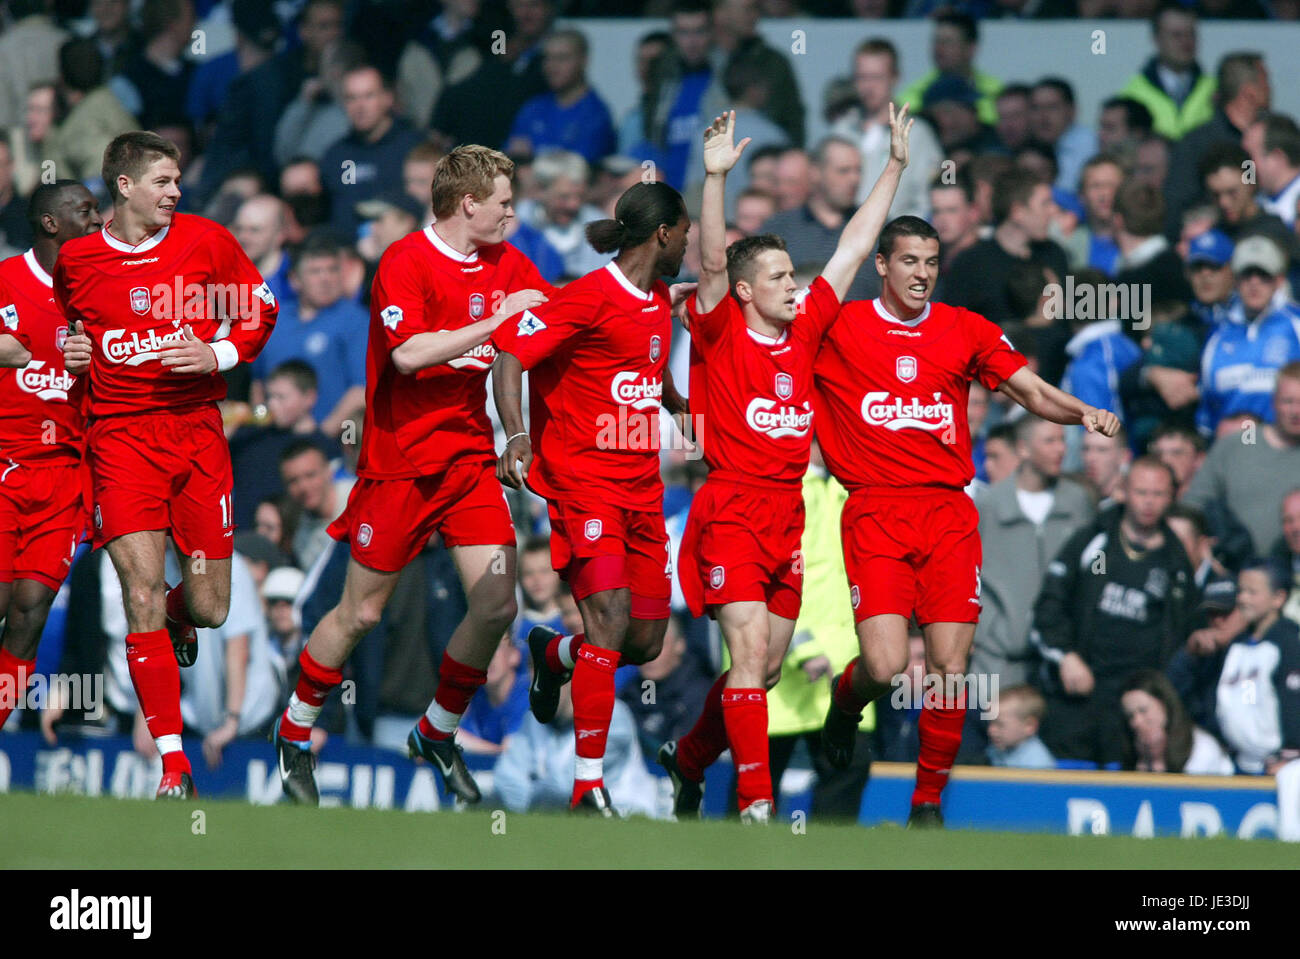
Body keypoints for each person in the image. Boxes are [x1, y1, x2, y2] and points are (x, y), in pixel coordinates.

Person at [812, 200, 1120, 826]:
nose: (922, 273)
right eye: (908, 262)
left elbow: (1027, 389)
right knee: (885, 664)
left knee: (952, 667)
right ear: (881, 265)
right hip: (875, 510)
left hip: (949, 514)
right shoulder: (839, 327)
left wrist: (1081, 411)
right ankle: (845, 707)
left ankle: (928, 803)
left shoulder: (964, 328)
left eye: (930, 262)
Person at [270, 145, 551, 806]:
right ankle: (294, 729)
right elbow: (407, 355)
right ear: (469, 203)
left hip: (469, 461)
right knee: (361, 611)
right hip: (399, 465)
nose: (514, 211)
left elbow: (547, 316)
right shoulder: (405, 262)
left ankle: (438, 727)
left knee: (497, 604)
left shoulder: (507, 260)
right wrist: (495, 318)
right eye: (505, 202)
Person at [660, 107, 909, 823]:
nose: (792, 282)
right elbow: (711, 260)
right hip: (732, 507)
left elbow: (854, 250)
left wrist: (893, 166)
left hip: (786, 512)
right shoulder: (719, 332)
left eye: (790, 272)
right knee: (745, 657)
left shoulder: (805, 331)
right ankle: (757, 806)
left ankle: (687, 758)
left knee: (764, 669)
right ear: (744, 290)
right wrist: (715, 178)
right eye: (775, 274)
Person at [54, 131, 279, 798]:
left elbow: (260, 310)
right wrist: (74, 356)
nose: (175, 192)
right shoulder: (79, 260)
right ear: (123, 185)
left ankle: (181, 621)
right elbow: (75, 335)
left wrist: (218, 356)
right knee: (140, 593)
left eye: (178, 180)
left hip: (198, 437)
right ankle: (174, 766)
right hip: (121, 441)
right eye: (162, 181)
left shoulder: (206, 242)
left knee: (209, 607)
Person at [493, 180, 692, 815]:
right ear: (663, 233)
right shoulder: (584, 298)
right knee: (607, 620)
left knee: (644, 643)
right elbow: (508, 357)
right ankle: (588, 786)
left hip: (642, 489)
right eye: (684, 232)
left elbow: (643, 371)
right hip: (585, 486)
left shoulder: (657, 299)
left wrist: (679, 405)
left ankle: (553, 653)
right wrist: (519, 435)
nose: (688, 243)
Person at [0, 181, 102, 731]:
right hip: (5, 467)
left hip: (64, 478)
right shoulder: (5, 281)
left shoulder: (101, 289)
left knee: (29, 612)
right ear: (49, 222)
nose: (96, 219)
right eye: (84, 211)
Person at [1031, 457, 1195, 767]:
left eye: (1158, 494)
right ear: (1123, 491)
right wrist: (1065, 656)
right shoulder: (1093, 541)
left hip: (1134, 703)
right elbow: (1049, 605)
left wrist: (1159, 690)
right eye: (1141, 492)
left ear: (1171, 497)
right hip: (1078, 691)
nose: (1149, 502)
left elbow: (1185, 630)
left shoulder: (1175, 561)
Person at [972, 416, 1094, 694]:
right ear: (1023, 449)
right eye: (1049, 441)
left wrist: (1098, 577)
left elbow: (1097, 561)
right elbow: (964, 574)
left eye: (1062, 440)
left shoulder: (1078, 503)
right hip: (999, 659)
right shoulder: (987, 507)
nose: (1061, 449)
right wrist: (985, 629)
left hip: (1063, 658)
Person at [1196, 239, 1300, 440]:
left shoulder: (1295, 324)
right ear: (1235, 280)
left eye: (1263, 275)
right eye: (1247, 275)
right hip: (1234, 455)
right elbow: (1208, 410)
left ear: (1278, 280)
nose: (1254, 282)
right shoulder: (1217, 337)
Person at [1215, 560, 1300, 774]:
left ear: (1278, 598)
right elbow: (1247, 699)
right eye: (1241, 591)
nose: (1242, 598)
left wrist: (1291, 756)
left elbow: (1293, 704)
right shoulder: (1240, 646)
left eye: (1252, 592)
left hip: (1278, 767)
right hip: (1240, 763)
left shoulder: (1289, 644)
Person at [505, 28, 616, 165]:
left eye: (562, 58)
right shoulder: (533, 108)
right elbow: (510, 157)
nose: (552, 66)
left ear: (583, 60)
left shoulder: (595, 115)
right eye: (547, 58)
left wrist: (531, 156)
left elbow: (579, 171)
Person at [1117, 4, 1215, 143]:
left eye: (1191, 34)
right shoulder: (1133, 93)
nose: (1186, 42)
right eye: (1176, 35)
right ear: (1156, 39)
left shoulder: (1215, 89)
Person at [1119, 669, 1234, 775]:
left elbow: (1188, 793)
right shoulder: (1135, 748)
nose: (1136, 722)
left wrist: (1158, 763)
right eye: (1130, 716)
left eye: (1143, 711)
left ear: (1164, 704)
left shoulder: (1202, 748)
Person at [986, 684, 1055, 769]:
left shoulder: (1038, 765)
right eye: (990, 722)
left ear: (1029, 726)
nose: (991, 730)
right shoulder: (994, 750)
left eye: (1000, 724)